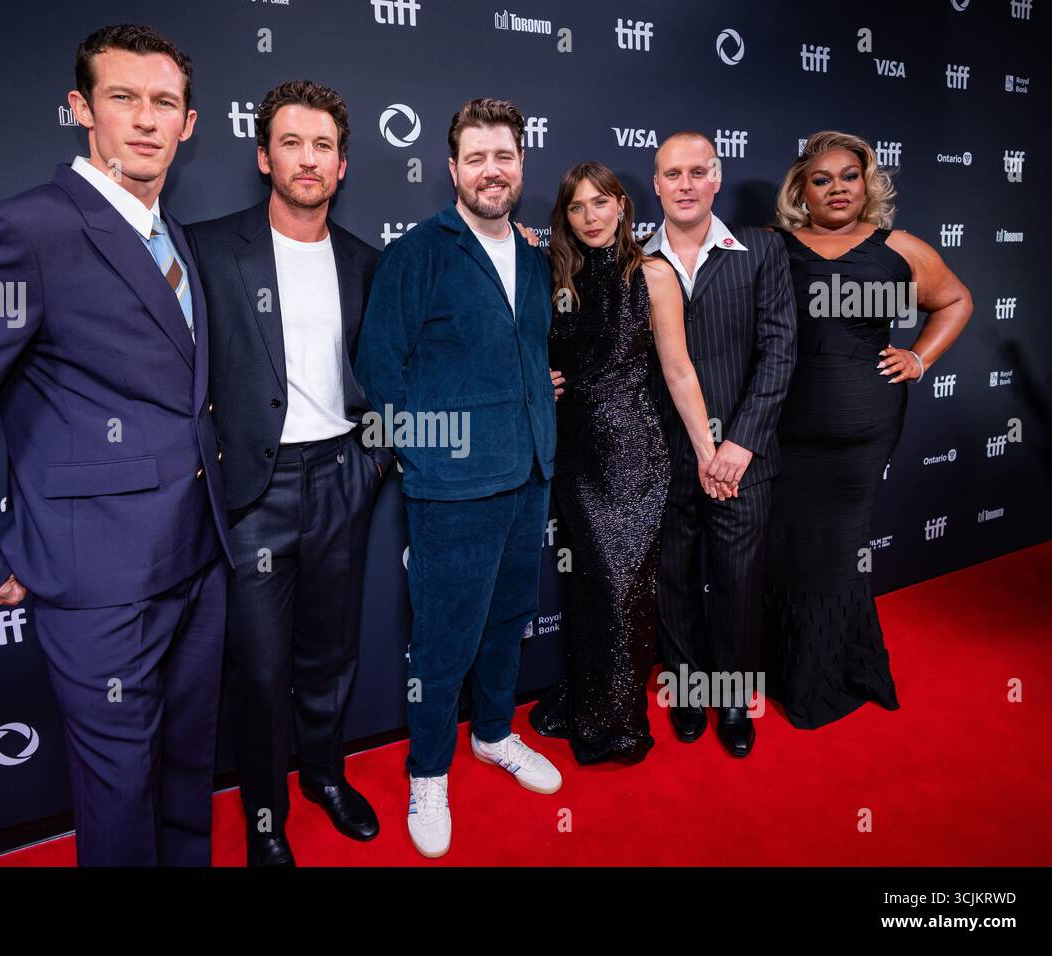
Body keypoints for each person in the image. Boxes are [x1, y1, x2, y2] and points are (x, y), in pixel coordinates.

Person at [0, 24, 232, 866]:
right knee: (120, 800)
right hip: (100, 585)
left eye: (163, 102)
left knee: (186, 775)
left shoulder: (177, 237)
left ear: (189, 122)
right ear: (80, 110)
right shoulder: (18, 234)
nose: (145, 119)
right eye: (122, 98)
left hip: (201, 561)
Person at [183, 80, 391, 866]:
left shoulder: (367, 261)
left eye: (324, 148)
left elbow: (391, 376)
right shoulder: (205, 248)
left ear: (342, 165)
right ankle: (265, 817)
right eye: (292, 145)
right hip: (253, 494)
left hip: (343, 476)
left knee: (331, 653)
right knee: (262, 671)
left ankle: (326, 776)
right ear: (264, 156)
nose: (308, 160)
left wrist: (372, 462)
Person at [355, 98, 559, 859]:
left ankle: (497, 734)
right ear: (452, 169)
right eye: (475, 158)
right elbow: (380, 368)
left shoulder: (536, 260)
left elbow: (525, 353)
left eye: (502, 156)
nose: (490, 170)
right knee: (443, 642)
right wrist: (425, 456)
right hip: (452, 488)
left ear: (520, 164)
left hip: (530, 472)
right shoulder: (418, 254)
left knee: (509, 621)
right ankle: (428, 771)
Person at [763, 130, 971, 728]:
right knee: (786, 549)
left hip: (863, 429)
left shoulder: (897, 246)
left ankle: (828, 677)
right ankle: (787, 665)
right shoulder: (772, 246)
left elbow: (955, 299)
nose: (836, 188)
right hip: (783, 427)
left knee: (839, 551)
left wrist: (920, 358)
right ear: (801, 188)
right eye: (821, 178)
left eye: (848, 176)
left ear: (867, 182)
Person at [529, 162, 729, 765]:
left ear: (622, 205)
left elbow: (678, 370)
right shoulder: (550, 271)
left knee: (623, 589)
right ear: (564, 216)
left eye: (600, 202)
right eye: (576, 207)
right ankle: (584, 696)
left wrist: (706, 451)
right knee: (588, 585)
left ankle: (615, 723)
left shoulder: (652, 273)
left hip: (634, 454)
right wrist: (537, 378)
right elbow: (514, 340)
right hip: (573, 450)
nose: (589, 217)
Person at [644, 130, 797, 758]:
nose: (684, 184)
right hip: (663, 457)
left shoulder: (760, 252)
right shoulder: (633, 259)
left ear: (716, 179)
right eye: (671, 173)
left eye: (696, 172)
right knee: (674, 579)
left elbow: (780, 350)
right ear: (655, 184)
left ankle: (732, 696)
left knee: (736, 580)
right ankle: (684, 688)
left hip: (741, 458)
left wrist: (740, 444)